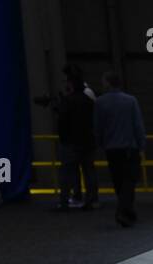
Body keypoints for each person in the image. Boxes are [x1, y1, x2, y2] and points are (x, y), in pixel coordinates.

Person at [93, 71, 145, 226]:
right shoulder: (131, 101)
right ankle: (125, 211)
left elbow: (97, 127)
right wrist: (142, 145)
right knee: (129, 181)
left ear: (108, 83)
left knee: (118, 181)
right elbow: (138, 125)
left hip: (111, 148)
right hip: (130, 148)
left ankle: (126, 211)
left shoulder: (100, 102)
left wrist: (101, 144)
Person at [57, 65, 98, 210]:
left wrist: (63, 138)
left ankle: (64, 201)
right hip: (87, 141)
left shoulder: (67, 101)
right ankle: (92, 200)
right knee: (89, 171)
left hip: (70, 142)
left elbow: (62, 122)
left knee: (67, 173)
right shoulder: (88, 101)